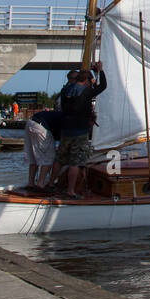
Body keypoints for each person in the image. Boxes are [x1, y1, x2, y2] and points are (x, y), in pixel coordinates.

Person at [57, 62, 107, 199]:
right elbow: (103, 86)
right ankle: (70, 191)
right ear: (86, 81)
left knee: (60, 159)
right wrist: (100, 71)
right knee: (76, 162)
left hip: (65, 129)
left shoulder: (65, 90)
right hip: (79, 130)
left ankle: (50, 184)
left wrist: (90, 77)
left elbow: (74, 84)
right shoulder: (86, 92)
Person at [24, 106, 62, 189]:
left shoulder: (59, 115)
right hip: (41, 125)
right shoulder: (68, 122)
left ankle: (31, 183)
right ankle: (41, 184)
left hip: (30, 122)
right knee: (49, 157)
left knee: (33, 157)